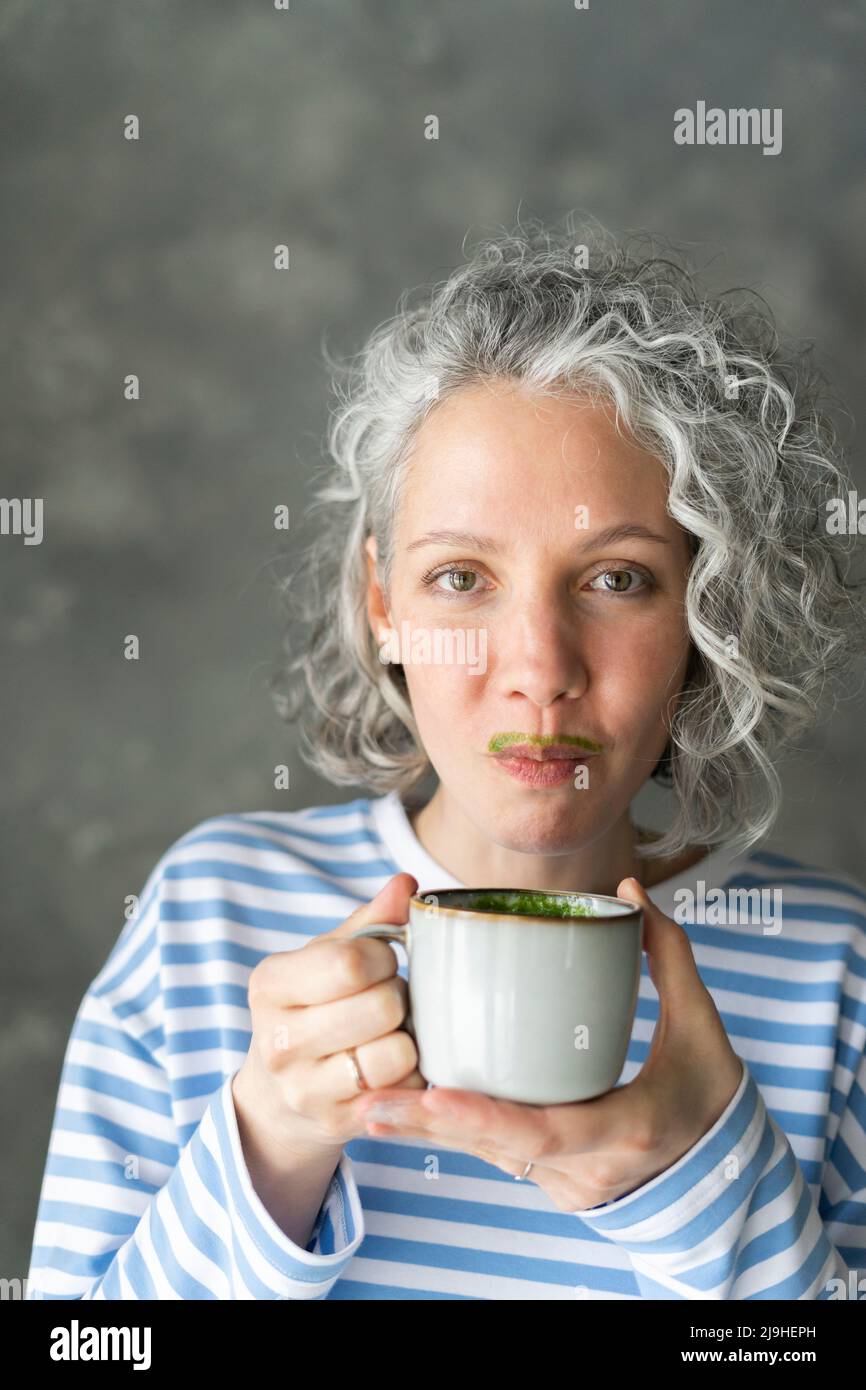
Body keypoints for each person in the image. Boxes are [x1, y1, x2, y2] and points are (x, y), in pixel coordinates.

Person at [27, 216, 866, 1300]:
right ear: (382, 603)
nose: (537, 668)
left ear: (704, 609)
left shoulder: (835, 977)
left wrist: (707, 1186)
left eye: (616, 578)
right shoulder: (202, 921)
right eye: (460, 578)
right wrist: (268, 1144)